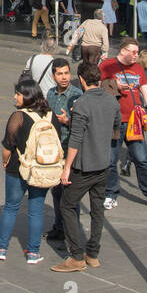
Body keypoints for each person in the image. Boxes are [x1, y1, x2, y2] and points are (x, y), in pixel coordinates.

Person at [51, 62, 120, 272]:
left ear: (81, 79)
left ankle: (77, 256)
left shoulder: (81, 104)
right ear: (98, 79)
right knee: (97, 209)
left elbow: (75, 139)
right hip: (103, 164)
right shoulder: (111, 101)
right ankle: (93, 253)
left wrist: (67, 168)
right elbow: (116, 127)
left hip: (84, 166)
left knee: (67, 205)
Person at [0, 78, 58, 264]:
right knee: (36, 210)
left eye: (18, 94)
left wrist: (5, 161)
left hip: (18, 169)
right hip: (42, 169)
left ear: (26, 96)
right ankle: (33, 252)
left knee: (11, 207)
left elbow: (7, 145)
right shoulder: (50, 115)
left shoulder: (18, 116)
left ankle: (0, 248)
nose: (15, 97)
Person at [100, 40, 147, 210]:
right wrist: (114, 85)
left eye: (137, 52)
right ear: (123, 51)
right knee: (111, 160)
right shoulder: (107, 66)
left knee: (142, 159)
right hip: (114, 121)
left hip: (133, 121)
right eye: (133, 52)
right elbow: (95, 87)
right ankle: (111, 193)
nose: (137, 55)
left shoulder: (138, 69)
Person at [42, 58, 82, 242]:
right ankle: (59, 227)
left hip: (70, 150)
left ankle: (73, 231)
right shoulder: (50, 94)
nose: (64, 77)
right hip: (54, 151)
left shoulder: (77, 95)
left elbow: (83, 125)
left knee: (70, 195)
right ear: (53, 76)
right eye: (60, 74)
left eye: (66, 73)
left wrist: (68, 121)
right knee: (56, 191)